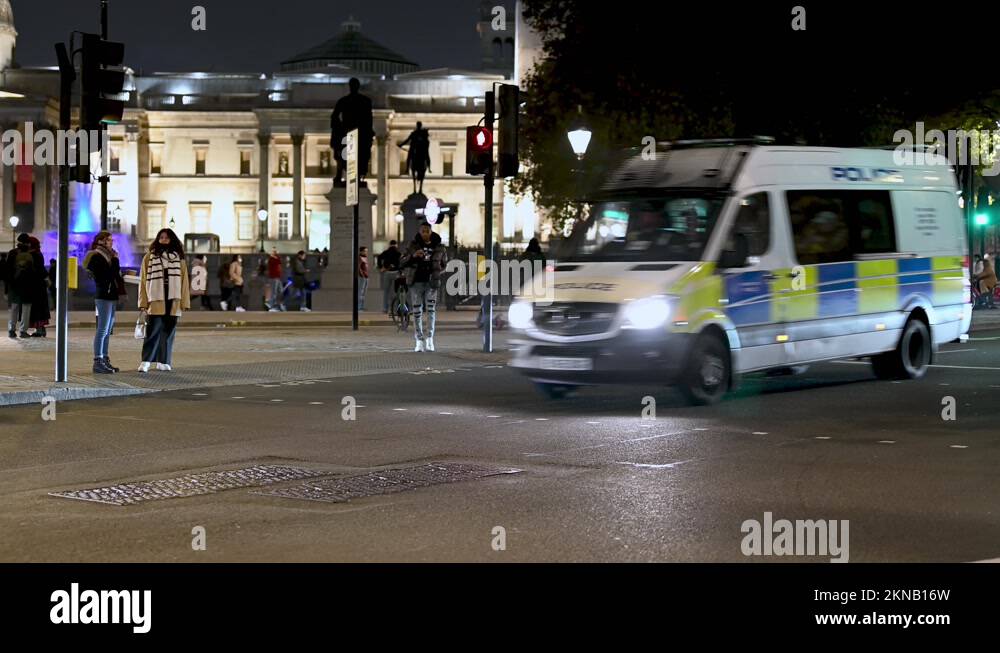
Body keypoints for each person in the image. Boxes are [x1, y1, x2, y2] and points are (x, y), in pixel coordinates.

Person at [138, 229, 190, 372]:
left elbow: (184, 282)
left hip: (173, 299)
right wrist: (143, 303)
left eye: (167, 238)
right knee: (152, 330)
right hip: (155, 298)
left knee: (168, 331)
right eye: (161, 237)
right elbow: (143, 281)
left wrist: (184, 302)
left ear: (172, 239)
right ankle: (146, 361)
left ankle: (164, 361)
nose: (164, 240)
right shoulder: (149, 257)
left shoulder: (179, 258)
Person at [400, 221, 447, 352]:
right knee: (417, 312)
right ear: (420, 232)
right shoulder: (412, 245)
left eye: (427, 231)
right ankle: (419, 340)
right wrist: (413, 256)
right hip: (416, 282)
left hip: (431, 282)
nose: (425, 233)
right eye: (423, 231)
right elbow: (402, 261)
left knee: (431, 310)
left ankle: (430, 339)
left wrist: (436, 272)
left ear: (431, 232)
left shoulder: (439, 247)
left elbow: (444, 264)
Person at [84, 231, 125, 374]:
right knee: (102, 330)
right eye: (108, 240)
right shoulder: (96, 256)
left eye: (111, 239)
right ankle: (98, 361)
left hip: (111, 295)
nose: (111, 242)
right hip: (104, 296)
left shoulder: (108, 255)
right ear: (101, 241)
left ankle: (105, 359)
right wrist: (115, 260)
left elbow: (114, 273)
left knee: (107, 331)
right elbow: (109, 275)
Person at [5, 233, 43, 338]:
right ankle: (23, 331)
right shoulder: (31, 254)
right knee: (26, 308)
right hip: (28, 285)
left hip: (14, 285)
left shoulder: (12, 253)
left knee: (14, 308)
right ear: (28, 243)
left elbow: (7, 271)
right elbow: (35, 271)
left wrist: (8, 287)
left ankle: (11, 330)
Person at [26, 236, 51, 337]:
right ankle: (41, 329)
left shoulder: (32, 255)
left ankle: (39, 329)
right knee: (41, 307)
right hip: (40, 285)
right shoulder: (38, 254)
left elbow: (36, 270)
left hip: (34, 285)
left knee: (36, 307)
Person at [377, 240, 402, 314]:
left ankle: (385, 308)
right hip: (396, 273)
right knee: (396, 292)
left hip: (387, 272)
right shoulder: (398, 253)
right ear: (396, 245)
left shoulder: (385, 252)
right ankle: (395, 309)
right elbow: (401, 263)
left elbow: (379, 257)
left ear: (390, 244)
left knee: (386, 292)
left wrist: (381, 267)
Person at [357, 246, 370, 311]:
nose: (366, 252)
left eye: (366, 251)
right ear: (361, 251)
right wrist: (362, 275)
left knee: (364, 293)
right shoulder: (359, 258)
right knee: (360, 292)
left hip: (366, 277)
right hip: (362, 277)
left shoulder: (365, 257)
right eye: (365, 251)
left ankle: (361, 306)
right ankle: (359, 307)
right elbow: (358, 267)